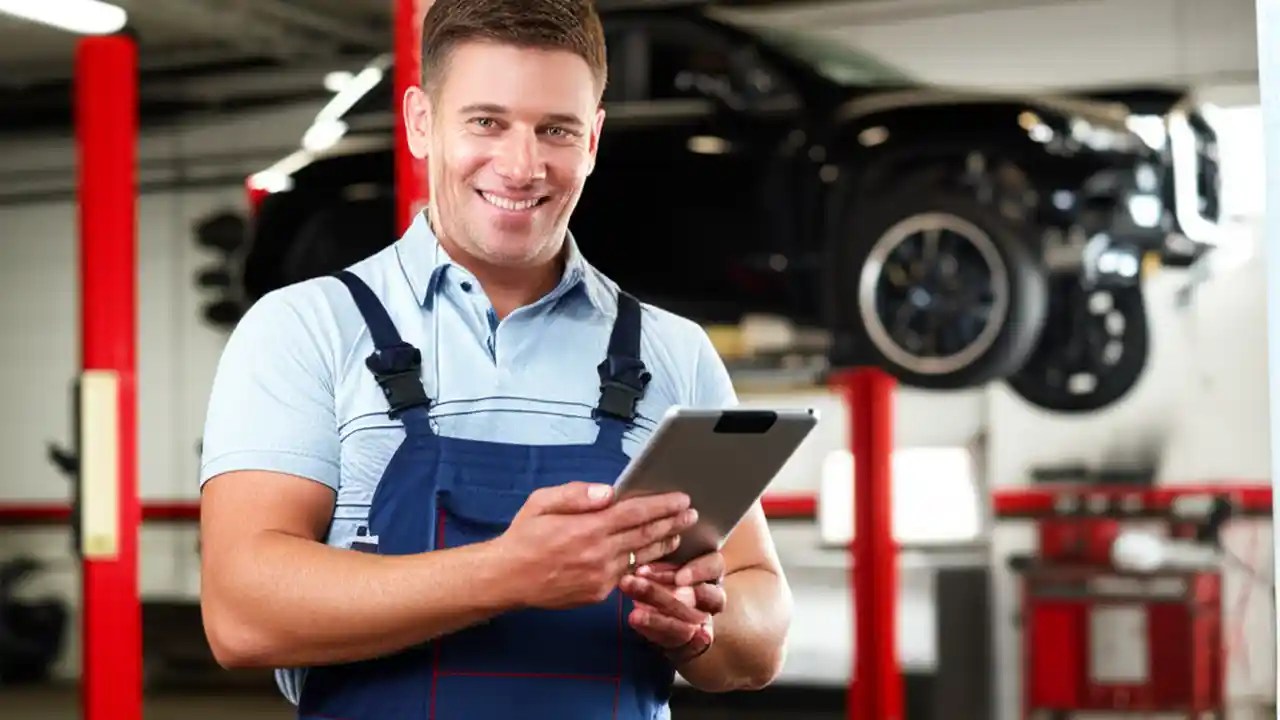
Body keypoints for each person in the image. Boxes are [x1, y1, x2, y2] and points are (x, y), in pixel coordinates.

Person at [196, 0, 793, 716]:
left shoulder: (674, 353)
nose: (521, 165)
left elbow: (760, 634)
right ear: (421, 123)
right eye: (486, 122)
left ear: (594, 139)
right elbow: (240, 615)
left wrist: (698, 625)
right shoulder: (306, 330)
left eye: (557, 130)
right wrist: (507, 574)